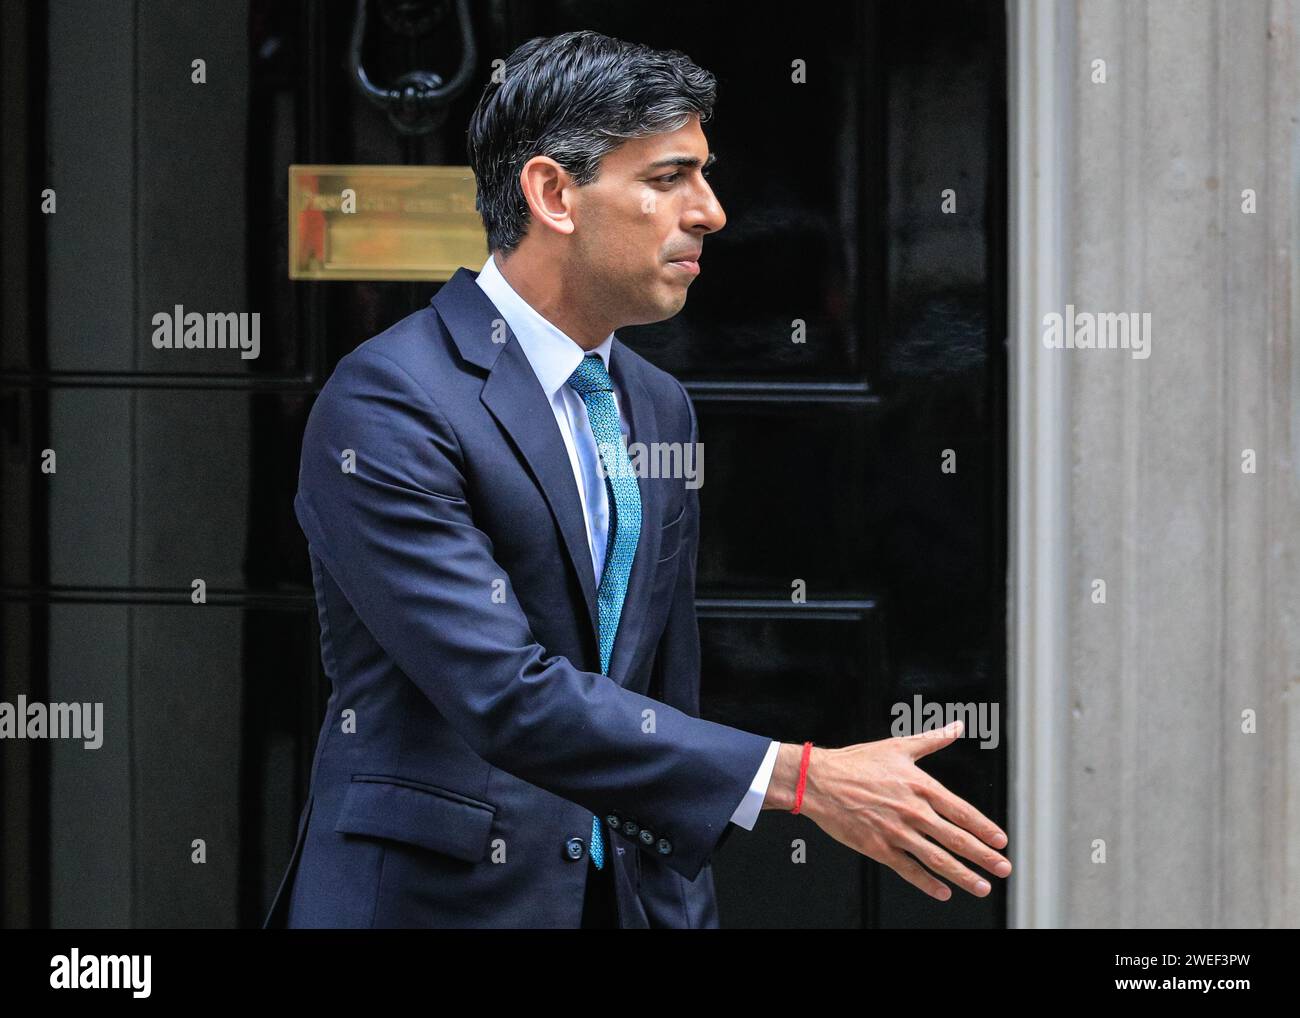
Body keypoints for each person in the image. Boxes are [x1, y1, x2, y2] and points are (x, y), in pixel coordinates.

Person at [263, 29, 1011, 930]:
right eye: (667, 179)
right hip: (434, 904)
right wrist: (801, 779)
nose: (711, 211)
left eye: (703, 175)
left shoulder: (656, 404)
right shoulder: (389, 400)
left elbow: (658, 691)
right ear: (553, 194)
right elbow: (504, 692)